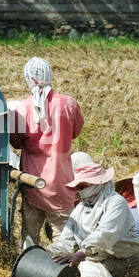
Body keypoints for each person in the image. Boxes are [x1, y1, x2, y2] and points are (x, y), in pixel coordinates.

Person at [9, 57, 84, 248]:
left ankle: (31, 272)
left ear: (29, 79)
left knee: (30, 238)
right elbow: (75, 132)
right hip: (62, 183)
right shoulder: (69, 104)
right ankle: (62, 274)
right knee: (63, 239)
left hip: (33, 183)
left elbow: (16, 142)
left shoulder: (22, 109)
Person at [48, 157, 139, 277]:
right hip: (98, 263)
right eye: (78, 187)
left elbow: (105, 234)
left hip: (128, 262)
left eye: (83, 187)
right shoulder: (79, 210)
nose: (79, 191)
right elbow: (65, 242)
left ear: (98, 184)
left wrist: (79, 254)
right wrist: (47, 253)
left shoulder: (116, 202)